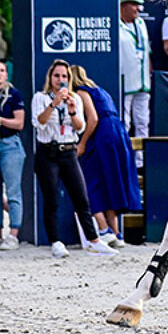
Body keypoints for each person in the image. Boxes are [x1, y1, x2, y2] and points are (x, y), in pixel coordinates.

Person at [31, 59, 118, 259]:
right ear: (50, 78)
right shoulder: (40, 97)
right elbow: (39, 122)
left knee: (81, 197)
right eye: (57, 76)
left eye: (64, 76)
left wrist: (70, 109)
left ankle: (94, 240)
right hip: (48, 151)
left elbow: (79, 126)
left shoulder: (75, 98)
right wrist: (54, 104)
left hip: (68, 150)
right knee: (51, 198)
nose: (60, 80)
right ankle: (55, 242)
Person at [69, 64, 139, 249]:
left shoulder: (82, 93)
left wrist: (82, 143)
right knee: (110, 184)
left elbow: (93, 119)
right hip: (118, 133)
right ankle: (117, 233)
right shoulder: (101, 91)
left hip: (102, 136)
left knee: (91, 184)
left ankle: (103, 229)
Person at [0, 58, 26, 251]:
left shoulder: (13, 95)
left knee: (13, 191)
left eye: (1, 70)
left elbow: (19, 123)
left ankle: (14, 234)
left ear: (6, 74)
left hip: (10, 144)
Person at [119, 0, 152, 167]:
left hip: (143, 81)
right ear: (123, 6)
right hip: (125, 82)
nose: (138, 9)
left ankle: (140, 163)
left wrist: (149, 73)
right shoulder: (116, 26)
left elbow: (147, 50)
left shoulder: (141, 24)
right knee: (125, 122)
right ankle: (125, 159)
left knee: (143, 122)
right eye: (134, 5)